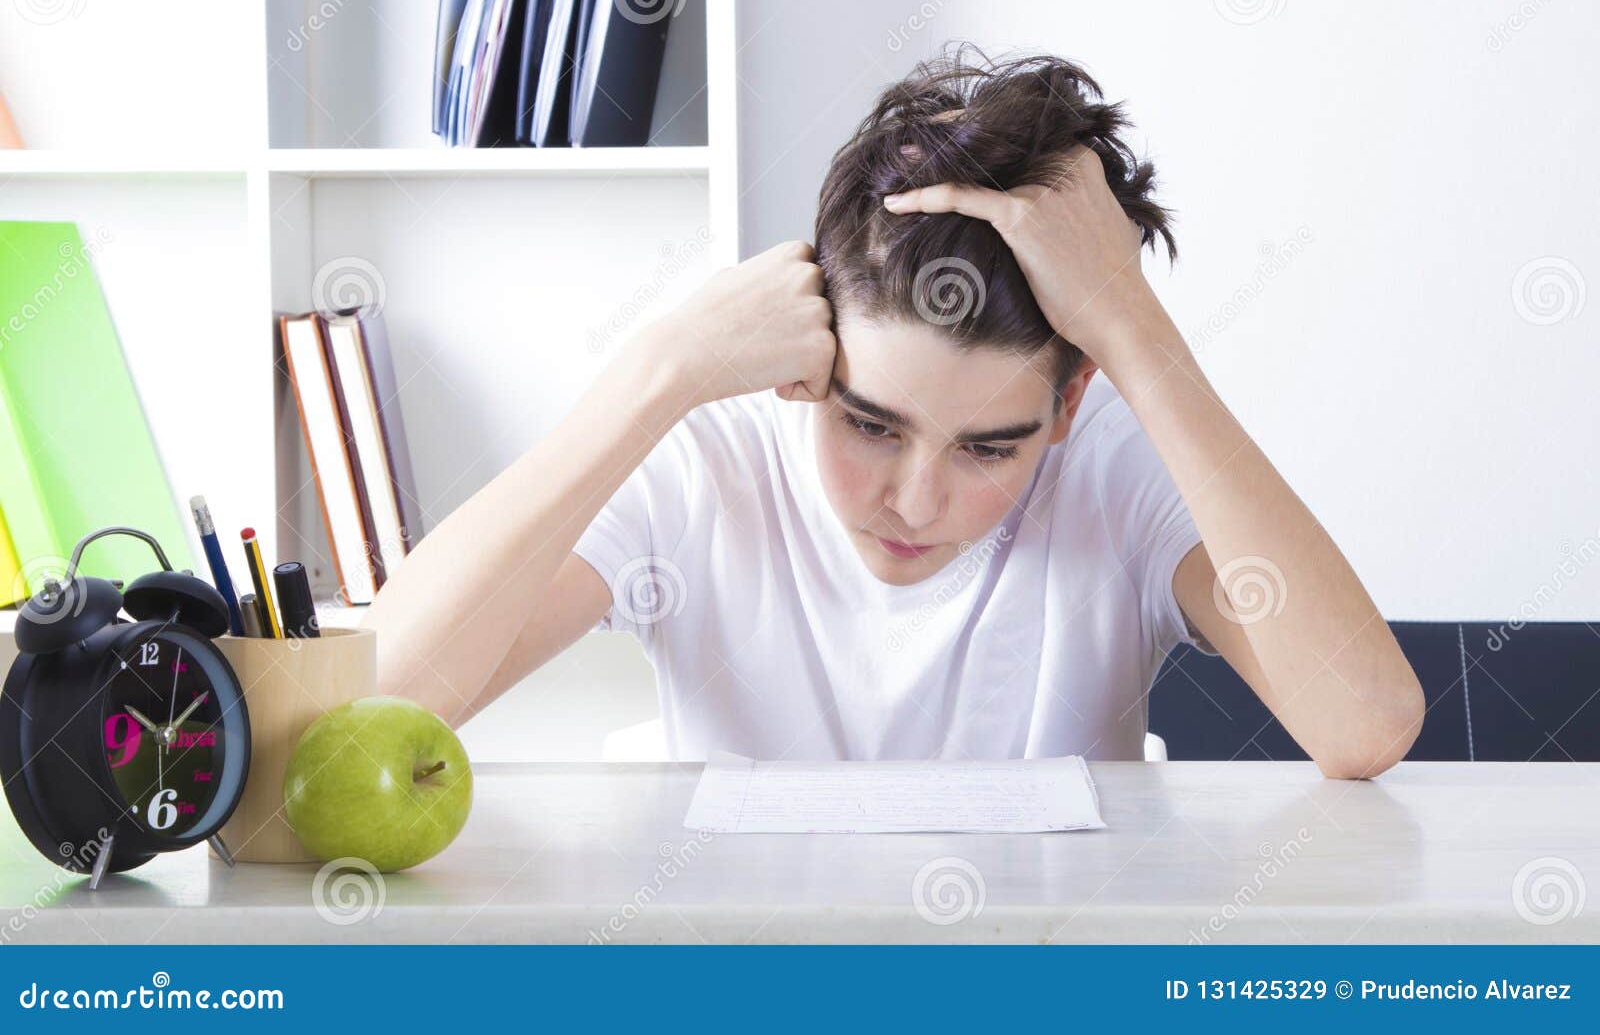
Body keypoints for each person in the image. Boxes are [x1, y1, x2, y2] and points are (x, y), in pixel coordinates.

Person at [369, 49, 1424, 777]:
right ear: (807, 366)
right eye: (870, 424)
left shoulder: (1112, 462)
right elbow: (379, 703)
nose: (914, 501)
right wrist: (653, 372)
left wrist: (1133, 332)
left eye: (988, 447)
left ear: (1067, 404)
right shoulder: (707, 454)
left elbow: (1363, 725)